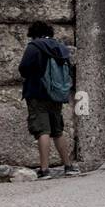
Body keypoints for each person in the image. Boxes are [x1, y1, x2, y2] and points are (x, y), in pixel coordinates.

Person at [18, 21, 82, 179]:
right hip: (56, 95)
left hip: (37, 93)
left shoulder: (34, 46)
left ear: (34, 33)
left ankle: (45, 170)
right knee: (58, 131)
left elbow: (23, 68)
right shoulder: (60, 48)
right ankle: (68, 166)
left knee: (42, 131)